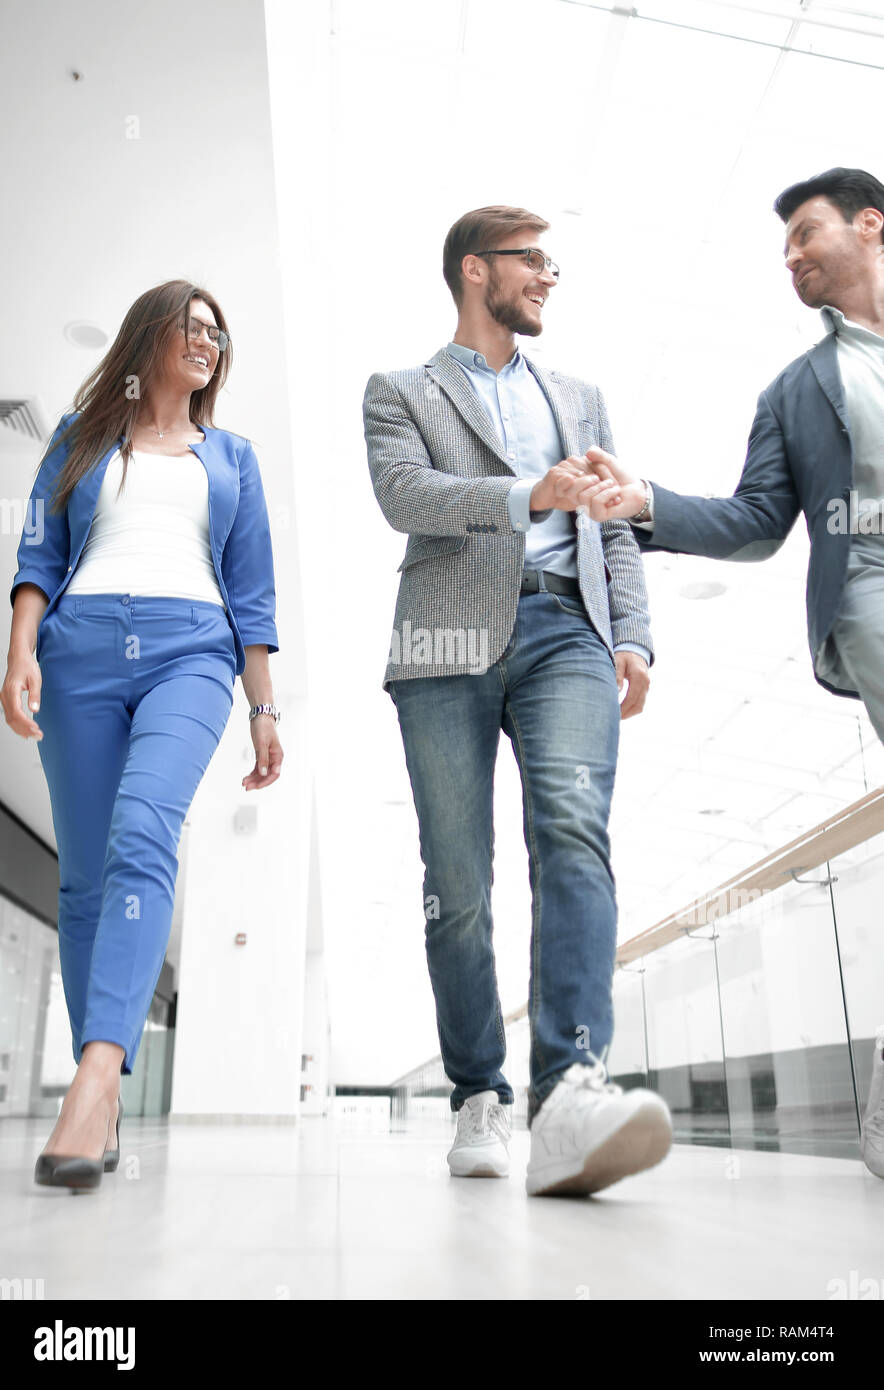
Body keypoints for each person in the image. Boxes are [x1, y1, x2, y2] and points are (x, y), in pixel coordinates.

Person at [571, 167, 884, 1180]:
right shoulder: (797, 393)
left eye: (806, 234)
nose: (790, 256)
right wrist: (643, 501)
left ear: (870, 226)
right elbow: (755, 525)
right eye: (784, 245)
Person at [363, 206, 673, 1197]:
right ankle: (476, 1094)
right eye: (530, 260)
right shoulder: (400, 389)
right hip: (444, 638)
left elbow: (617, 524)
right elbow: (405, 495)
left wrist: (631, 632)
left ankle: (571, 1085)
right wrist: (526, 494)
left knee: (574, 836)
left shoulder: (581, 396)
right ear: (473, 270)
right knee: (457, 879)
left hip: (567, 635)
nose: (547, 276)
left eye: (549, 259)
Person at [0, 280, 283, 1190]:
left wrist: (264, 706)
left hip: (190, 655)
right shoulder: (80, 437)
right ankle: (107, 1094)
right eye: (190, 327)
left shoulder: (234, 455)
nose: (206, 342)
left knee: (142, 832)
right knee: (83, 881)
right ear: (149, 336)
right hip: (78, 650)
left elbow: (253, 592)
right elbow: (38, 555)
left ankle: (92, 1078)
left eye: (217, 333)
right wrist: (20, 655)